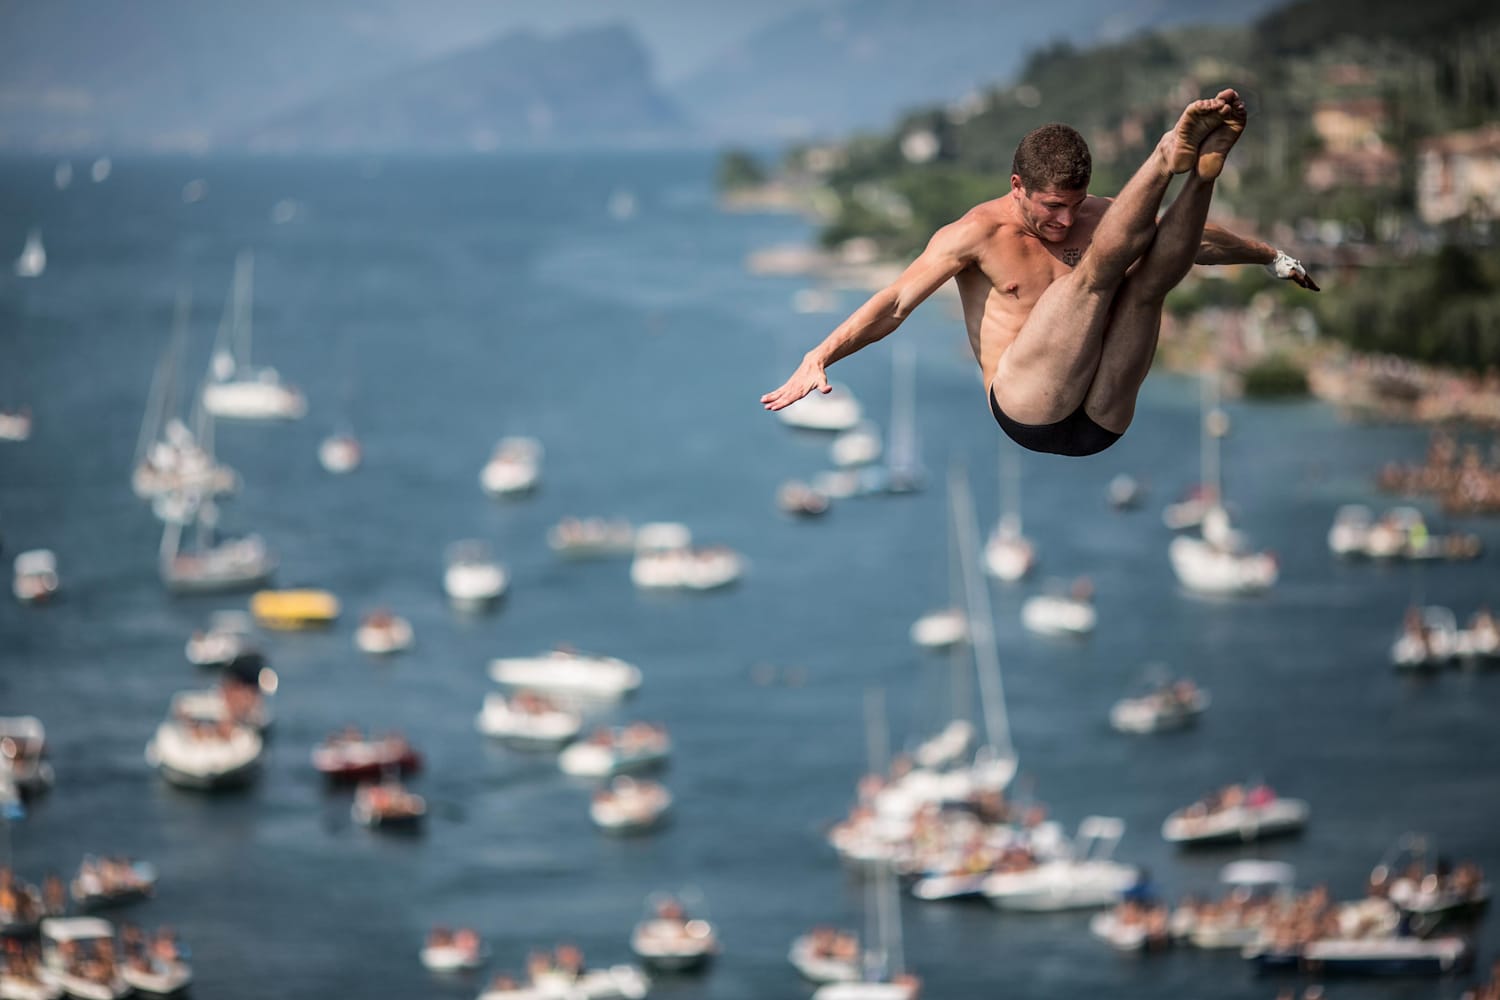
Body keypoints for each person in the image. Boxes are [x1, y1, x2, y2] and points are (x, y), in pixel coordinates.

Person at [762, 89, 1318, 456]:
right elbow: (895, 303)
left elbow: (1196, 244)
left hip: (1101, 422)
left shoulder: (1100, 218)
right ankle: (1164, 156)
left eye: (1075, 205)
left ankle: (1202, 173)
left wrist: (1271, 257)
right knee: (1096, 274)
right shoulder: (976, 234)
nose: (1065, 220)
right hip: (1028, 408)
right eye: (1052, 206)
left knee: (1148, 284)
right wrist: (821, 355)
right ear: (1017, 186)